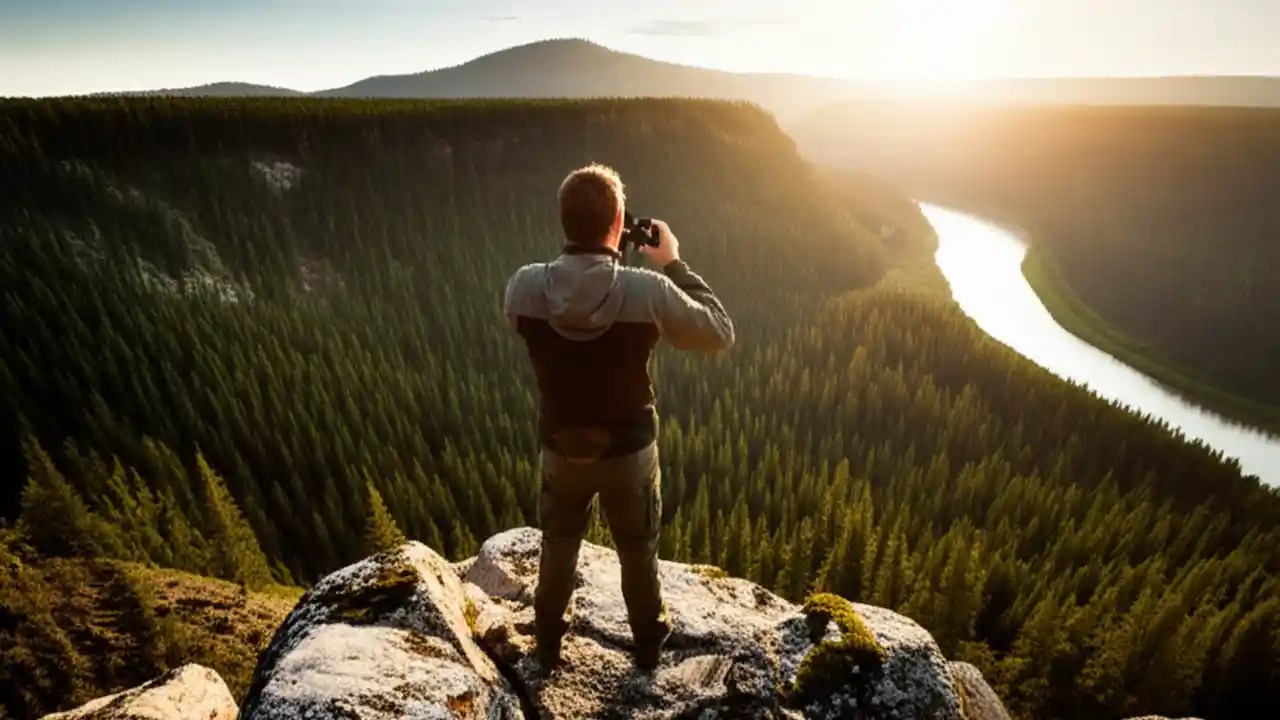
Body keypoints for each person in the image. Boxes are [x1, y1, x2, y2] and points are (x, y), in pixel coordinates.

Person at [503, 163, 735, 671]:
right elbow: (718, 330)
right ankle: (648, 650)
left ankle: (546, 648)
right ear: (619, 223)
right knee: (637, 549)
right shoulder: (645, 291)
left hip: (561, 448)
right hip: (630, 452)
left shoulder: (523, 288)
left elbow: (536, 319)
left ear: (565, 222)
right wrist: (672, 262)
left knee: (558, 544)